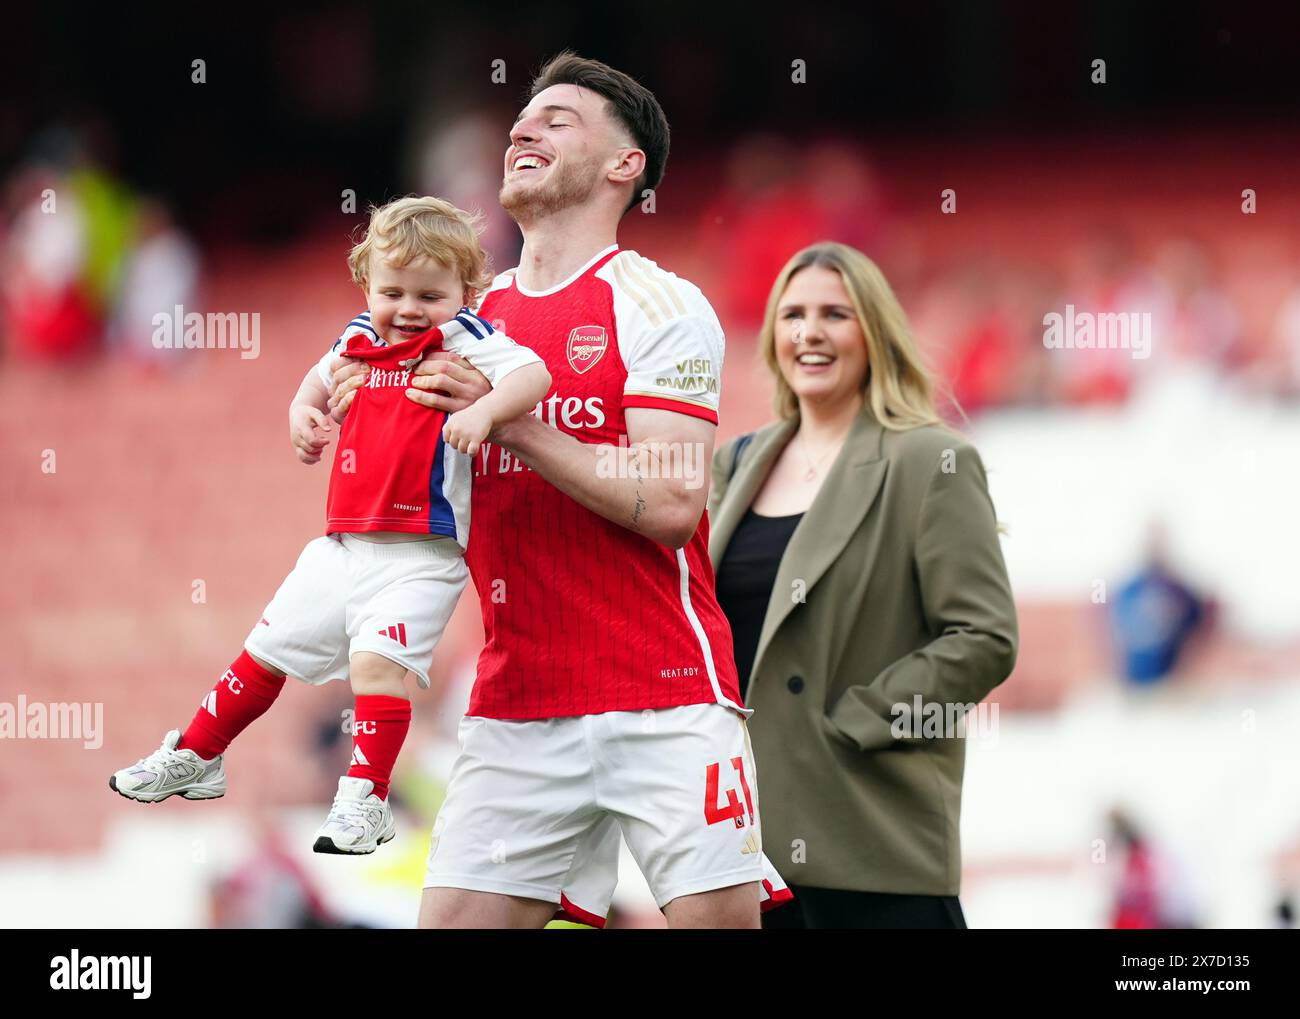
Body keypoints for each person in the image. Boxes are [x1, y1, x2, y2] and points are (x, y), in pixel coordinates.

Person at [329, 52, 789, 929]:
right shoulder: (460, 317)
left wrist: (515, 423)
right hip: (517, 703)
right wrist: (342, 416)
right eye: (520, 119)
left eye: (558, 119)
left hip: (663, 693)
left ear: (626, 165)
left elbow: (673, 501)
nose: (522, 129)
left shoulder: (659, 303)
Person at [109, 197, 552, 857]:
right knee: (264, 650)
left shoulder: (465, 337)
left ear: (465, 293)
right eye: (392, 290)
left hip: (422, 551)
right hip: (342, 544)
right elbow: (308, 390)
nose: (408, 308)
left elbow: (534, 374)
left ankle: (364, 799)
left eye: (429, 293)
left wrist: (485, 412)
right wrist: (303, 420)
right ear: (365, 285)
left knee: (377, 666)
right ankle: (199, 753)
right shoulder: (356, 339)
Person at [708, 241, 1018, 928]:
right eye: (792, 315)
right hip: (747, 851)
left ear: (873, 332)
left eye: (834, 314)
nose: (808, 332)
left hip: (874, 842)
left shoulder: (931, 460)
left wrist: (863, 718)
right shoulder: (735, 462)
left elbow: (986, 637)